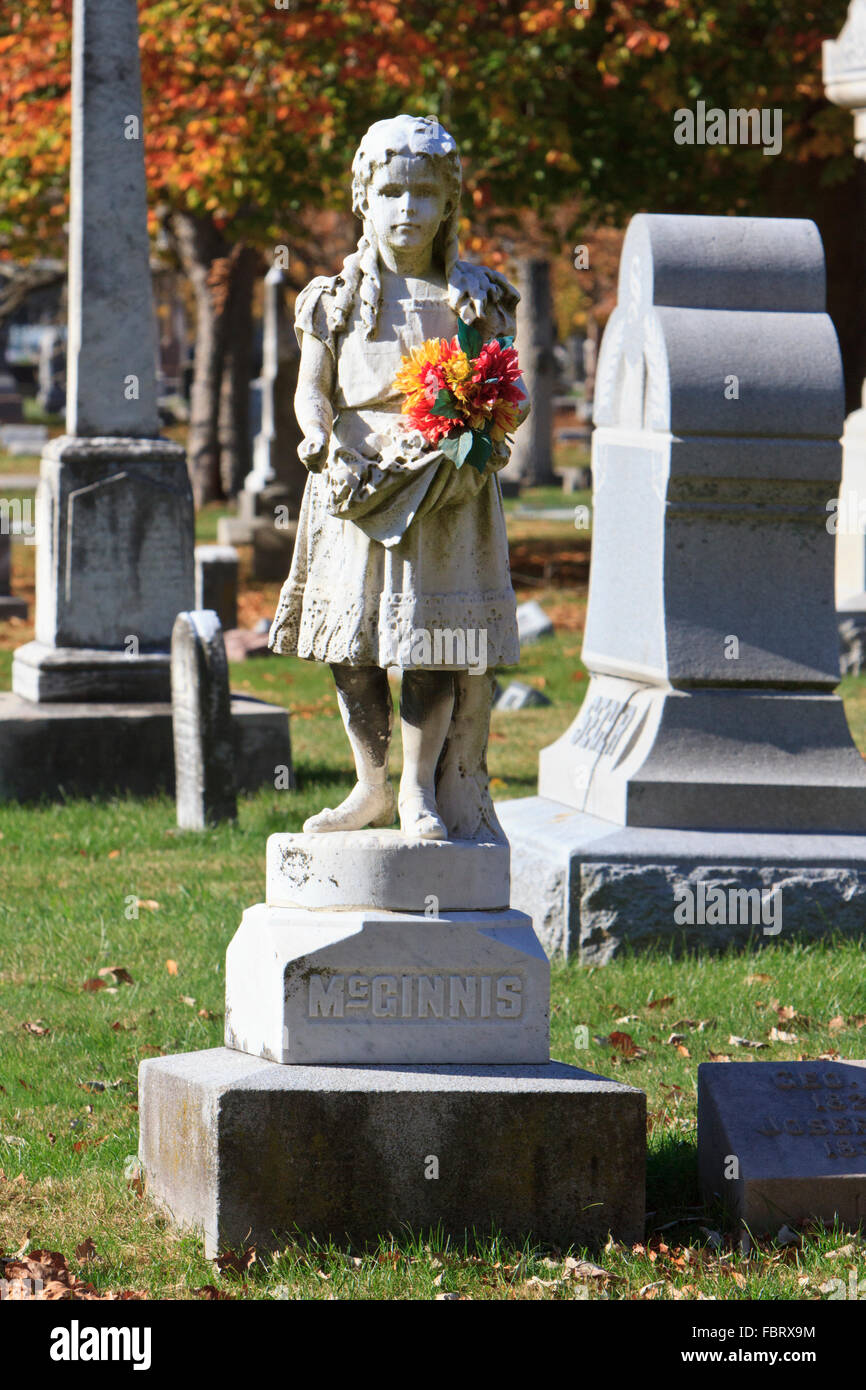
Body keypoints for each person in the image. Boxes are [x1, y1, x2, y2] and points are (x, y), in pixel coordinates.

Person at [269, 114, 528, 841]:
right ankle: (370, 784)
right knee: (353, 647)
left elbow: (510, 385)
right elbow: (311, 387)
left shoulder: (478, 297)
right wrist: (316, 434)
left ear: (449, 203)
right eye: (391, 192)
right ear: (364, 199)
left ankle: (420, 792)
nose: (406, 209)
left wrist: (497, 411)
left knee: (432, 641)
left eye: (423, 194)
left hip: (447, 489)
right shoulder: (333, 298)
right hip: (355, 484)